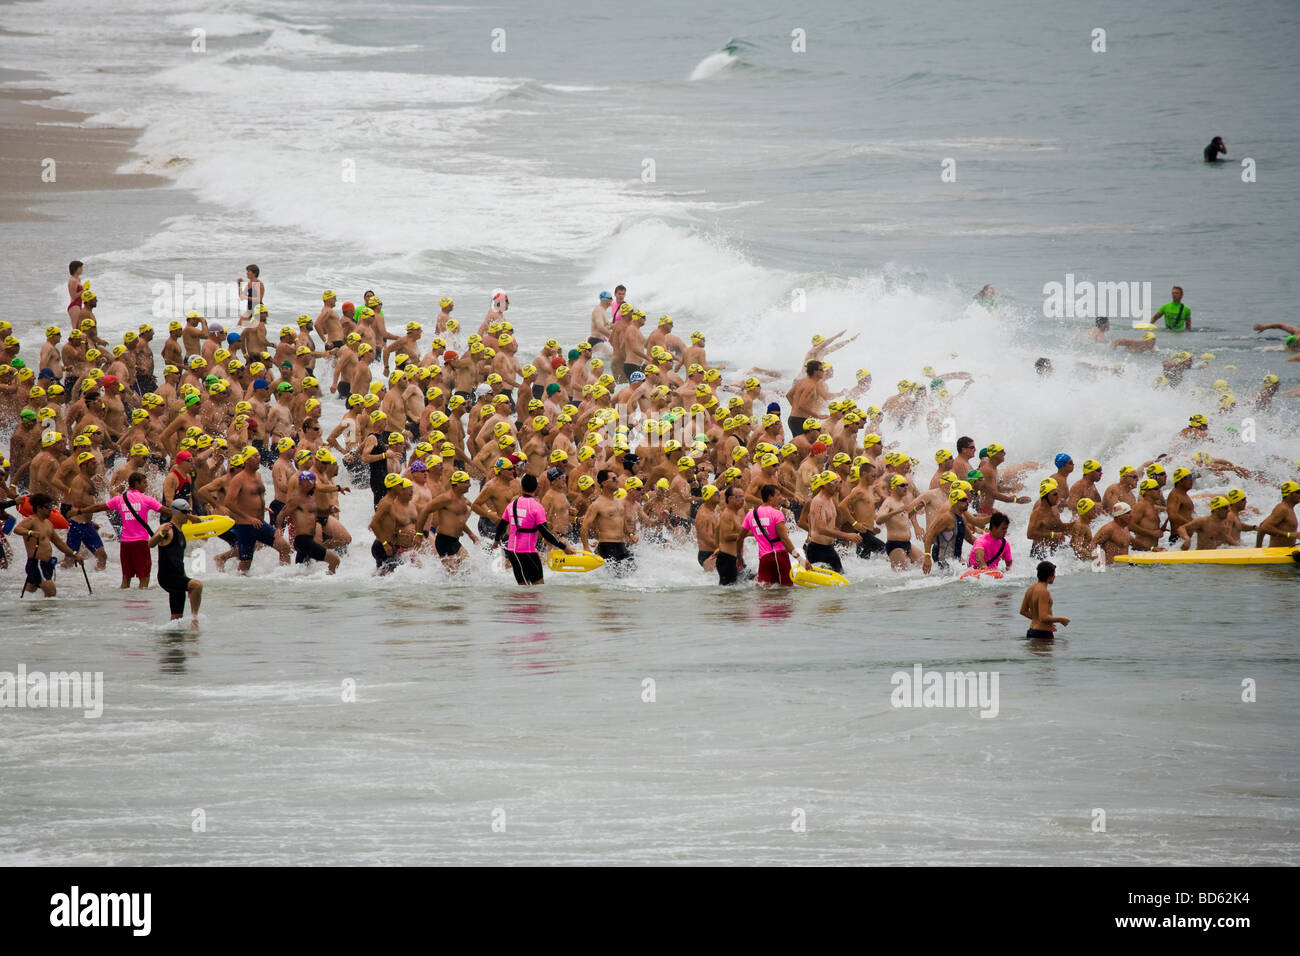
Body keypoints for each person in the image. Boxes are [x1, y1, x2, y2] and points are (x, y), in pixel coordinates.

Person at [492, 473, 573, 585]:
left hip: (514, 551)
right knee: (538, 586)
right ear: (536, 488)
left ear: (522, 487)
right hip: (528, 551)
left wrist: (496, 540)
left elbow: (501, 525)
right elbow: (545, 532)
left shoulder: (512, 504)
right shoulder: (536, 507)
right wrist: (563, 547)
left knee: (524, 588)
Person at [15, 492, 83, 597]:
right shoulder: (31, 520)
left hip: (47, 564)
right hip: (36, 563)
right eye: (48, 506)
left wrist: (74, 554)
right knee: (51, 591)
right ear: (39, 507)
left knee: (30, 590)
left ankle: (26, 610)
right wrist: (30, 533)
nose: (51, 509)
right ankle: (49, 613)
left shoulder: (48, 523)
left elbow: (59, 543)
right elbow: (17, 529)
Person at [104, 471, 164, 588]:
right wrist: (186, 515)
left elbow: (100, 507)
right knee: (144, 579)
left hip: (125, 543)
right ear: (137, 483)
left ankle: (125, 604)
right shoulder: (146, 499)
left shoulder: (120, 499)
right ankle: (142, 604)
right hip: (140, 544)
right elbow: (165, 510)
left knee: (126, 579)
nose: (146, 485)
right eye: (144, 483)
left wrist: (80, 511)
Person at [148, 499, 203, 623]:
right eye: (186, 512)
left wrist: (185, 579)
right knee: (197, 585)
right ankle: (195, 620)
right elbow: (151, 544)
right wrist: (160, 534)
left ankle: (173, 640)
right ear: (177, 512)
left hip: (177, 577)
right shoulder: (167, 528)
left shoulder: (180, 531)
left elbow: (179, 560)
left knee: (176, 620)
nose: (188, 515)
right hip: (167, 577)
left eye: (189, 511)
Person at [738, 483, 805, 586]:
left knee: (764, 593)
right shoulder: (777, 513)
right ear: (770, 497)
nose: (781, 498)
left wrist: (739, 557)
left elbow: (740, 538)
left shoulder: (751, 514)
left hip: (764, 559)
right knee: (785, 592)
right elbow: (784, 540)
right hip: (779, 557)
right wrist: (800, 559)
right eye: (778, 495)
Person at [1019, 561, 1069, 639]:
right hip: (1043, 633)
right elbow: (1044, 617)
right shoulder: (1043, 592)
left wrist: (1040, 620)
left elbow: (1023, 611)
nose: (1055, 576)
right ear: (1050, 575)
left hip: (1031, 631)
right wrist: (1061, 619)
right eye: (1054, 574)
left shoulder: (1030, 588)